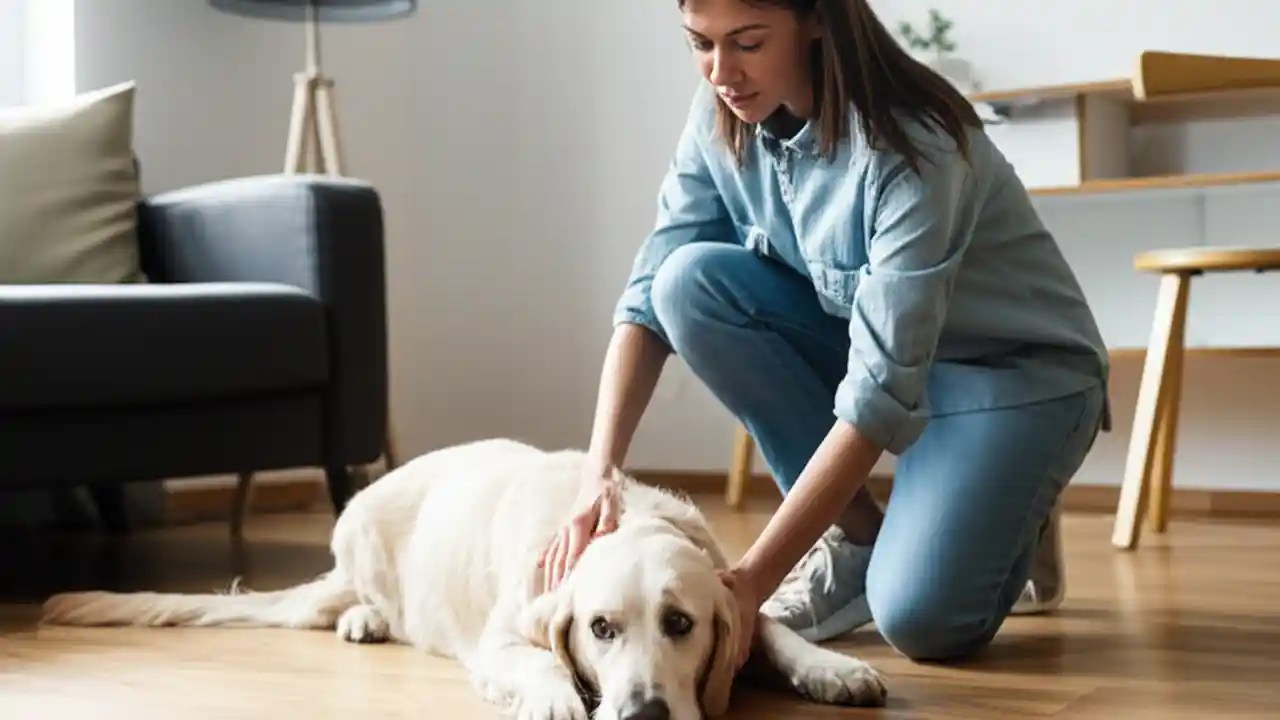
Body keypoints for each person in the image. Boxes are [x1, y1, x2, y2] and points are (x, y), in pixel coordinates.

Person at [539, 0, 1109, 668]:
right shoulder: (720, 113)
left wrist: (751, 581)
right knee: (686, 284)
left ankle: (1016, 503)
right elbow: (647, 297)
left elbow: (875, 394)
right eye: (700, 43)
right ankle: (864, 537)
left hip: (1014, 378)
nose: (722, 71)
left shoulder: (915, 144)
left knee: (922, 623)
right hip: (887, 359)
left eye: (747, 42)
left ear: (816, 20)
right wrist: (597, 473)